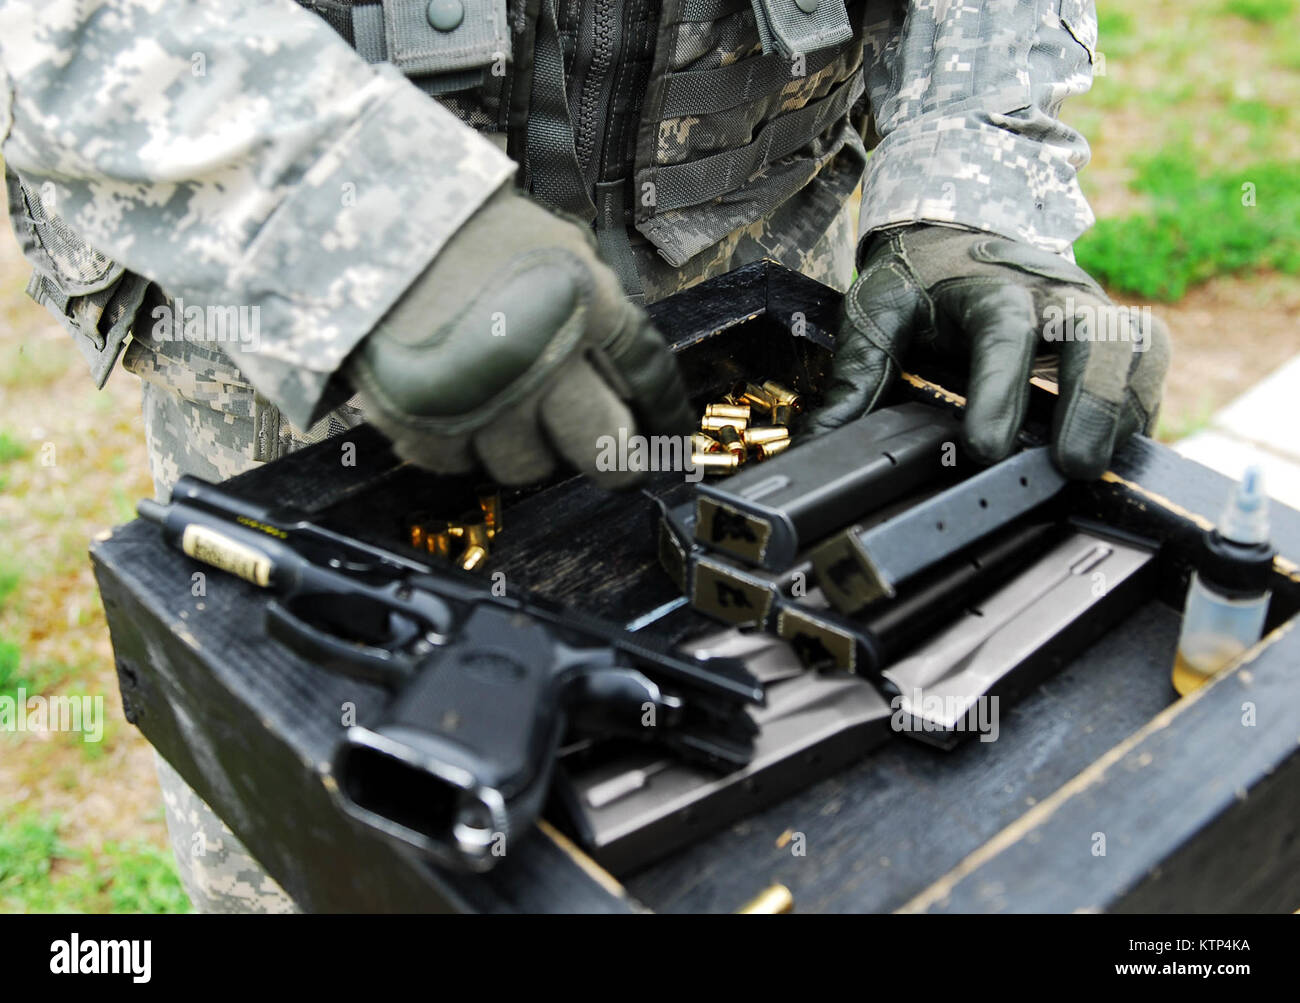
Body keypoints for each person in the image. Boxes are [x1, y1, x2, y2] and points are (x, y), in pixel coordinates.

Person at [0, 0, 1168, 911]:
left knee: (743, 847)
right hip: (316, 356)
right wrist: (347, 213)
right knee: (321, 848)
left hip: (741, 281)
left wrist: (973, 182)